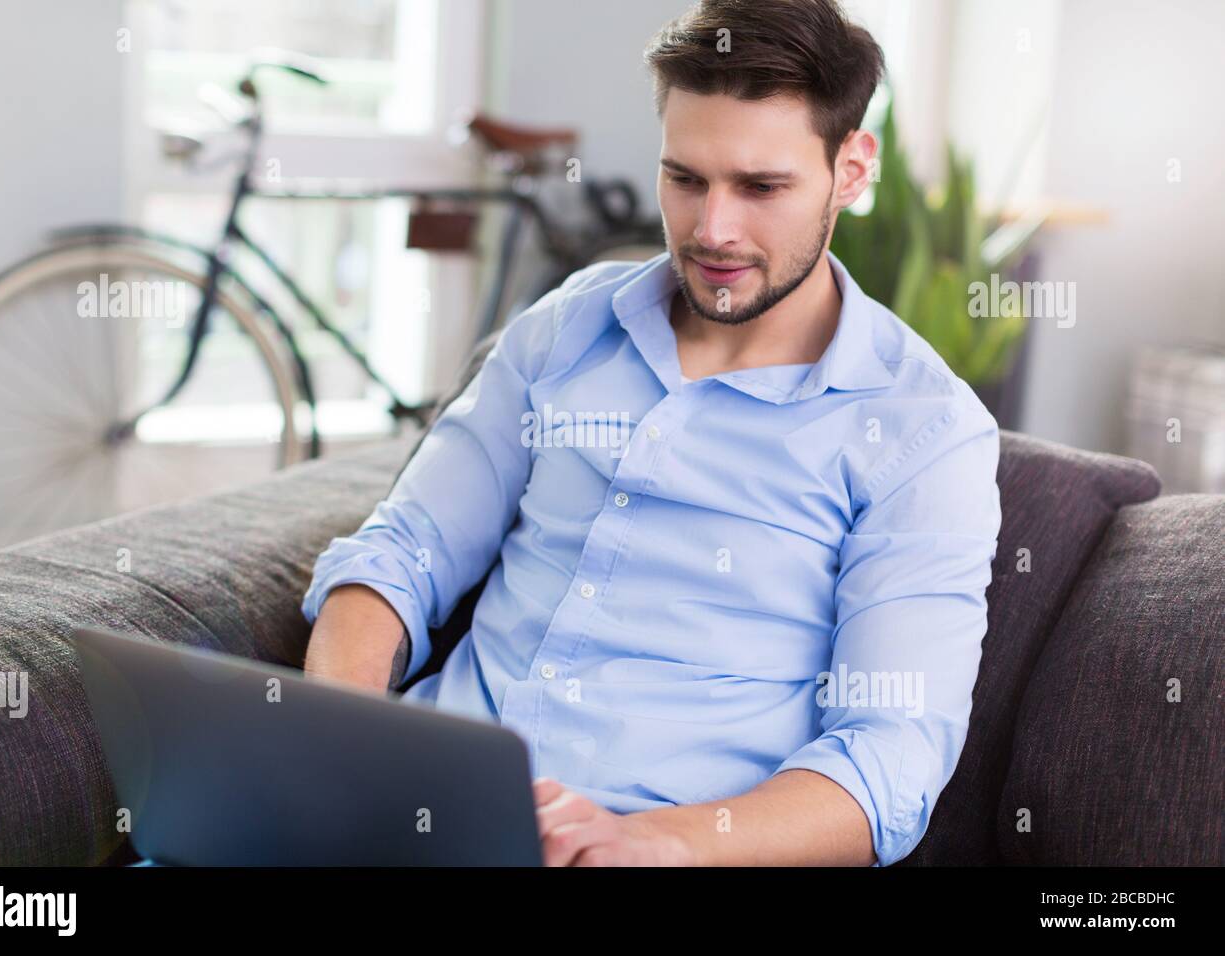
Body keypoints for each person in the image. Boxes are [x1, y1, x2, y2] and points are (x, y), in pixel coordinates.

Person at [302, 0, 1001, 867]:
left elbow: (889, 763)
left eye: (761, 187)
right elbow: (403, 550)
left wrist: (652, 845)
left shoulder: (921, 433)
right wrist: (335, 736)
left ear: (851, 169)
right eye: (686, 179)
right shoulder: (567, 328)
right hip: (407, 815)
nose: (713, 231)